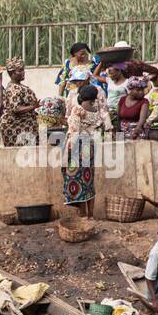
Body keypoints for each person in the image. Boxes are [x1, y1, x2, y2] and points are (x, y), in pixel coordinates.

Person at [64, 85, 111, 218]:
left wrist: (68, 154)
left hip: (77, 149)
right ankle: (90, 215)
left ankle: (82, 214)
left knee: (77, 181)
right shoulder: (96, 112)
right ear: (93, 99)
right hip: (90, 149)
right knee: (88, 181)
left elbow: (74, 133)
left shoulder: (77, 110)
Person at [0, 58, 39, 146]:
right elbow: (15, 109)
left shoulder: (19, 86)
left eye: (23, 70)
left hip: (26, 126)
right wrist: (32, 107)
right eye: (20, 71)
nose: (23, 72)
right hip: (16, 127)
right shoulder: (13, 89)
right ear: (12, 73)